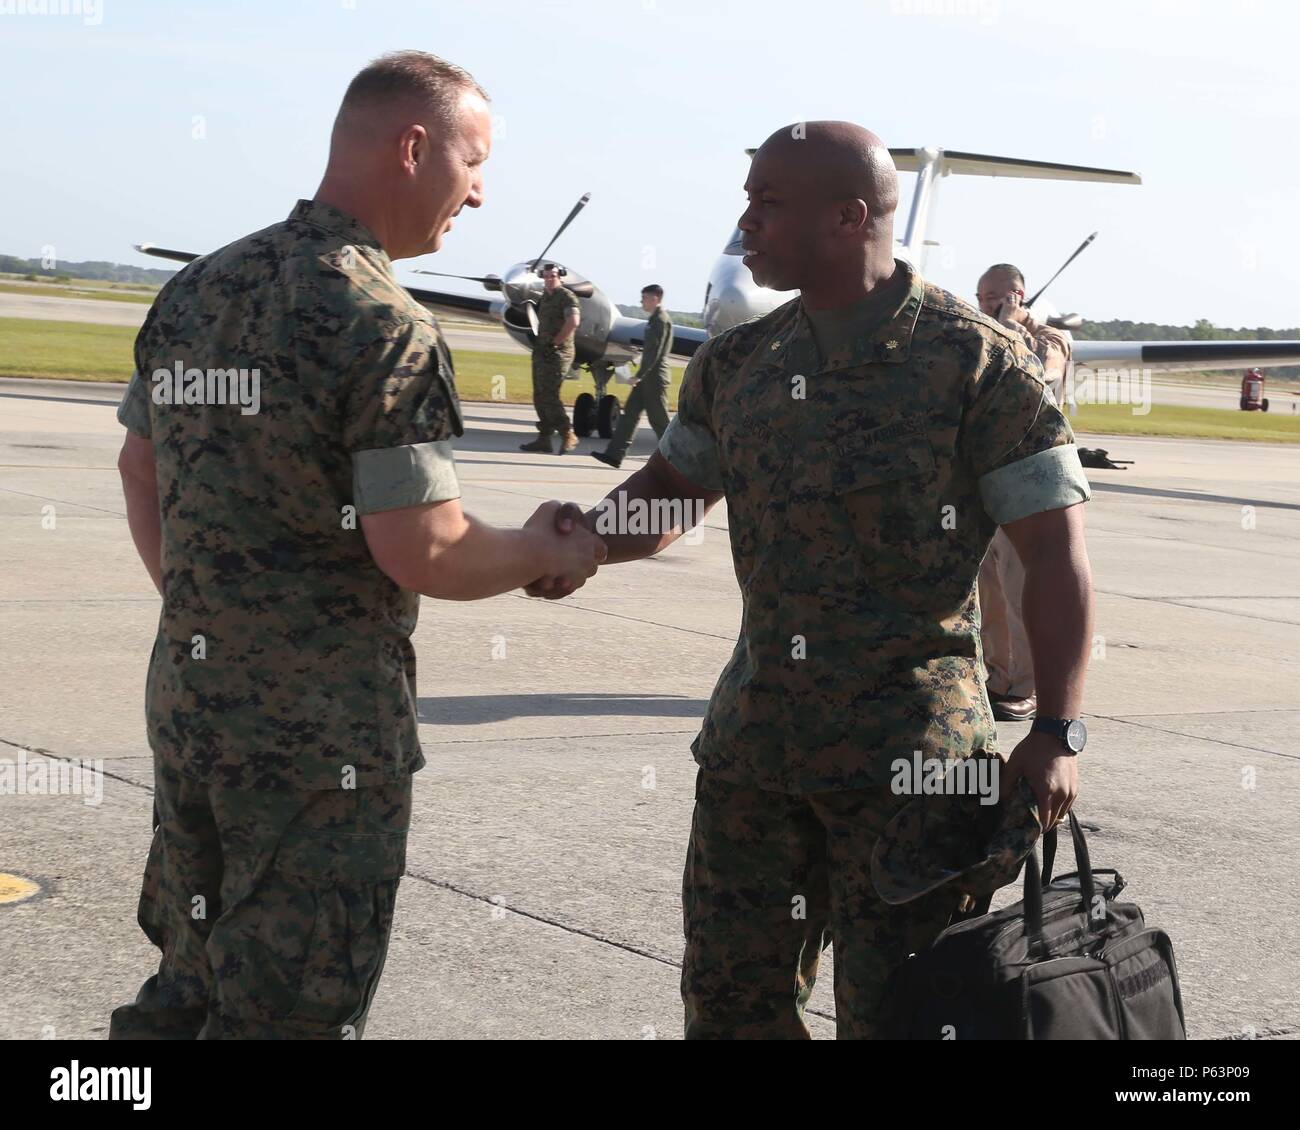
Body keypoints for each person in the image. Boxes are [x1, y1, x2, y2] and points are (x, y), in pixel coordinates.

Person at [533, 121, 1093, 1039]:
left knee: (902, 1018)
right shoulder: (740, 362)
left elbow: (1054, 553)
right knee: (730, 1007)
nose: (744, 221)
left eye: (768, 202)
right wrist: (577, 544)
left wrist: (1059, 729)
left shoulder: (977, 363)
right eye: (748, 197)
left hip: (913, 770)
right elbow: (672, 493)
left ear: (849, 216)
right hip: (756, 753)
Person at [110, 50, 605, 1040]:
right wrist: (547, 545)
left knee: (185, 985)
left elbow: (138, 468)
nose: (479, 189)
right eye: (472, 161)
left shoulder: (202, 288)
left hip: (194, 696)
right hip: (318, 741)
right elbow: (425, 549)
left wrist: (218, 614)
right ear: (413, 147)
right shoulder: (383, 324)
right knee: (287, 1008)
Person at [974, 263, 1074, 721]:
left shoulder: (1050, 339)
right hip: (990, 477)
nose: (985, 305)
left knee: (1021, 590)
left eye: (994, 296)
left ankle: (1028, 688)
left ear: (1017, 295)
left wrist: (1012, 326)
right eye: (980, 297)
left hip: (1033, 483)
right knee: (990, 590)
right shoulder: (985, 336)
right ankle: (999, 678)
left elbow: (1038, 375)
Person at [592, 285, 673, 469]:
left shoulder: (660, 319)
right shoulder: (654, 319)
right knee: (629, 416)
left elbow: (654, 352)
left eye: (644, 297)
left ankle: (676, 460)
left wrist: (639, 375)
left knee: (659, 421)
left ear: (655, 298)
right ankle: (614, 455)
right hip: (647, 378)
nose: (641, 301)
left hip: (653, 377)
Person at [520, 263, 581, 454]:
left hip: (558, 353)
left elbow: (573, 322)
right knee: (539, 395)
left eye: (552, 276)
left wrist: (556, 342)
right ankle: (544, 439)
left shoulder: (566, 296)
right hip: (542, 350)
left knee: (550, 395)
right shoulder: (545, 296)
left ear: (560, 276)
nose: (549, 279)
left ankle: (567, 434)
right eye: (545, 276)